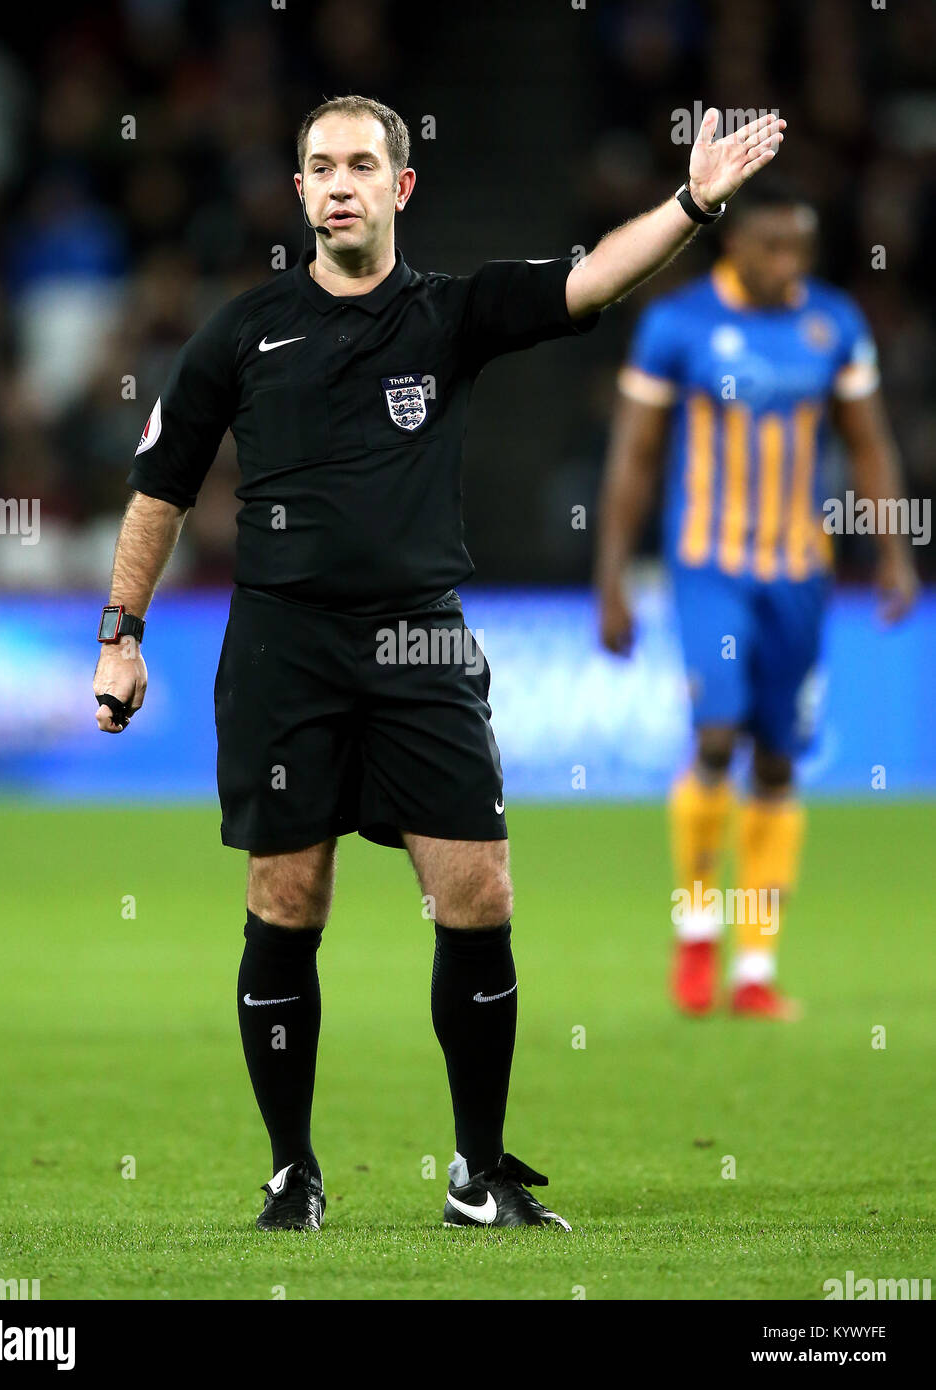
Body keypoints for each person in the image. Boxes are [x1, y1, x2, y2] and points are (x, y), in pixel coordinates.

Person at [94, 94, 785, 1228]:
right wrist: (122, 638)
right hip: (281, 647)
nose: (338, 184)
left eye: (361, 164)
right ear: (303, 190)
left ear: (399, 187)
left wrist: (692, 202)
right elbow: (159, 489)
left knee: (477, 892)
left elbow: (593, 279)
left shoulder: (451, 314)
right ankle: (291, 1172)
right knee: (286, 898)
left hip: (419, 639)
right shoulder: (242, 331)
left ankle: (477, 1171)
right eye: (319, 166)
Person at [597, 183, 918, 1020]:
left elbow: (868, 440)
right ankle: (700, 932)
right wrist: (610, 577)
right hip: (708, 567)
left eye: (802, 249)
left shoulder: (833, 323)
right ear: (732, 246)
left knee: (777, 761)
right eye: (774, 248)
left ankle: (756, 967)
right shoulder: (678, 325)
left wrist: (894, 552)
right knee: (715, 735)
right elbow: (634, 457)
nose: (790, 266)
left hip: (799, 574)